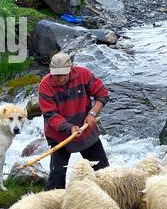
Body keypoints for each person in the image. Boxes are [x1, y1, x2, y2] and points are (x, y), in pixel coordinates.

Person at [37, 52, 111, 190]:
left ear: (71, 69)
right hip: (60, 136)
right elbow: (50, 115)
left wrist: (92, 113)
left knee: (104, 172)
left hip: (86, 131)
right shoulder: (45, 85)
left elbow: (102, 93)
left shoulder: (83, 74)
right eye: (56, 75)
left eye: (63, 75)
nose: (59, 79)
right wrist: (69, 128)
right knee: (57, 176)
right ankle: (53, 205)